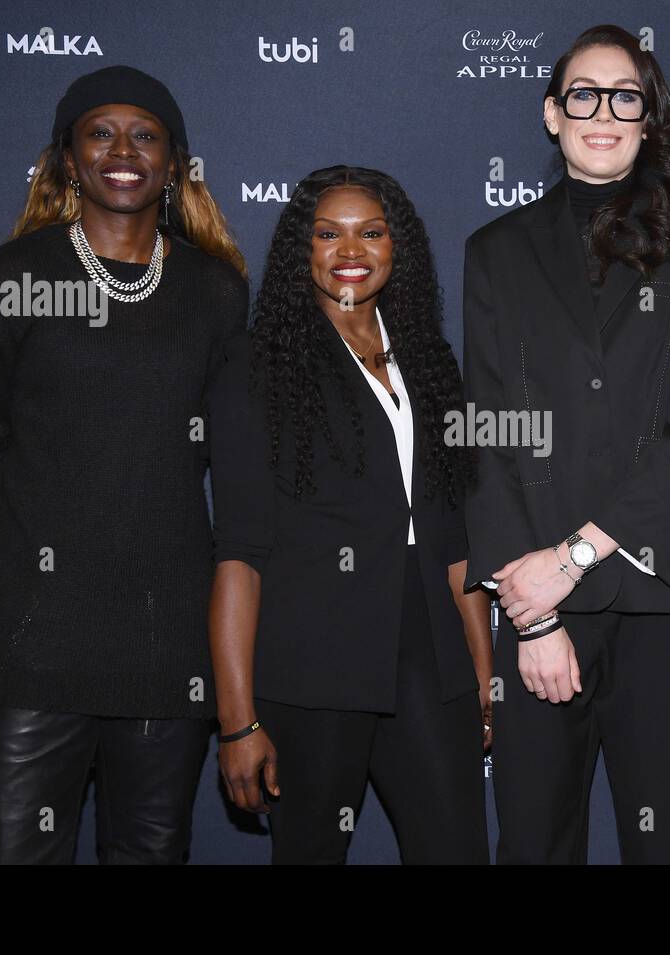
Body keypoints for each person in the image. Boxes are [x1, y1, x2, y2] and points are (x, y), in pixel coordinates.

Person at [0, 65, 249, 863]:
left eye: (144, 135)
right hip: (32, 645)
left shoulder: (214, 293)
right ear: (67, 158)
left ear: (174, 162)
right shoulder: (8, 280)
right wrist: (51, 515)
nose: (122, 150)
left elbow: (236, 448)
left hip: (168, 650)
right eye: (99, 132)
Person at [462, 24, 670, 864]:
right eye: (582, 94)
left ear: (649, 116)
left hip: (665, 600)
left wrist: (575, 556)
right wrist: (536, 608)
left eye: (625, 95)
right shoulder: (495, 252)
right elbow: (486, 435)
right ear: (553, 115)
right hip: (538, 608)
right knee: (533, 844)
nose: (603, 112)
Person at [208, 166, 492, 864]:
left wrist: (483, 673)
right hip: (312, 658)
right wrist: (237, 719)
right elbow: (240, 552)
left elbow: (455, 539)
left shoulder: (428, 362)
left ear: (400, 246)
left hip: (428, 646)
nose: (350, 250)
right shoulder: (257, 365)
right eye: (327, 233)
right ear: (299, 250)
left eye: (370, 231)